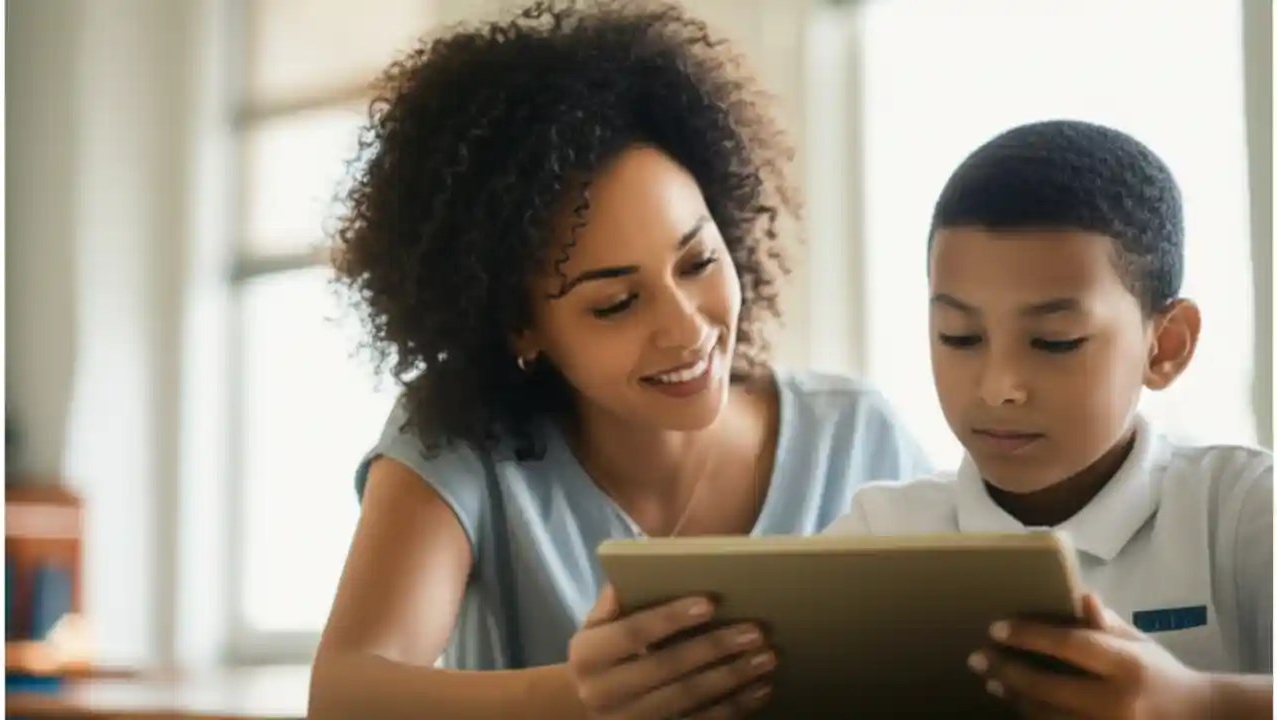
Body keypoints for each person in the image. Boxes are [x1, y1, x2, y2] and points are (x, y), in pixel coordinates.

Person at [308, 2, 931, 718]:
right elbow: (347, 694)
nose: (684, 328)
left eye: (698, 261)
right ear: (520, 327)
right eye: (615, 303)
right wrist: (575, 698)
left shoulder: (856, 438)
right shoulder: (460, 440)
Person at [827, 119, 1273, 718]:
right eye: (959, 337)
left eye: (1054, 341)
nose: (998, 387)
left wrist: (1201, 702)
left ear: (1164, 346)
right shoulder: (877, 541)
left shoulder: (1241, 513)